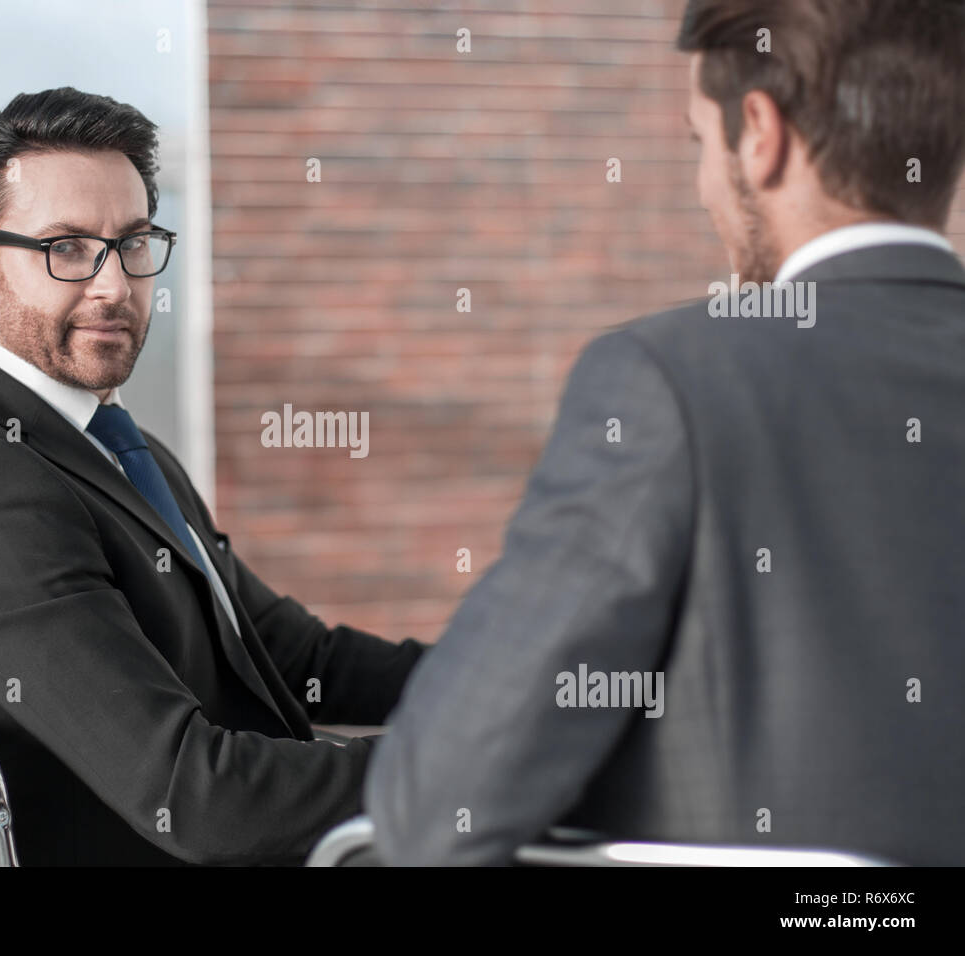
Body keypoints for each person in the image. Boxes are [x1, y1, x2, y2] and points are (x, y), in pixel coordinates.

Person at [366, 0, 965, 866]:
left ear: (759, 133)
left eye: (699, 144)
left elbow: (435, 805)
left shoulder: (667, 380)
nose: (703, 187)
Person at [0, 87, 427, 866]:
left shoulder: (118, 447)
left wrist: (504, 685)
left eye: (131, 243)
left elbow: (291, 658)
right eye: (65, 248)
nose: (113, 286)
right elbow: (195, 797)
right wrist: (481, 762)